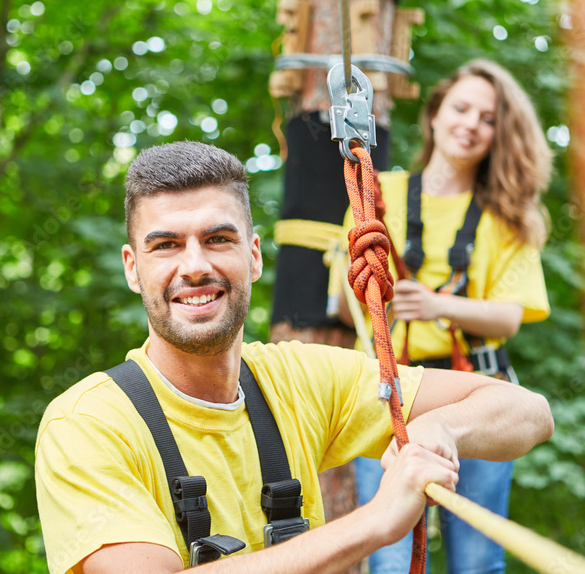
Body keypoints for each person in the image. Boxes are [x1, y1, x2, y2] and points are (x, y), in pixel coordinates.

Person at [34, 140, 553, 574]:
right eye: (165, 245)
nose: (194, 266)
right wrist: (376, 521)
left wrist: (444, 429)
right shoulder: (88, 425)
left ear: (254, 255)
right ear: (132, 269)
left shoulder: (301, 380)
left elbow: (528, 411)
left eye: (218, 239)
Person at [333, 59, 554, 574]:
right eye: (462, 108)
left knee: (476, 560)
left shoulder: (507, 218)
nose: (471, 123)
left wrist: (437, 306)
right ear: (435, 115)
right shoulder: (374, 195)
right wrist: (378, 289)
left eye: (488, 118)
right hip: (396, 388)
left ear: (500, 135)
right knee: (389, 558)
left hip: (476, 390)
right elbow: (349, 308)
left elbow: (508, 317)